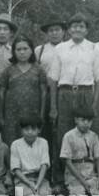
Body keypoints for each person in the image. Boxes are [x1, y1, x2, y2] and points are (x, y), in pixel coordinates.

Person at [50, 14, 97, 185]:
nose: (77, 29)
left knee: (84, 134)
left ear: (87, 30)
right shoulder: (60, 49)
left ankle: (83, 179)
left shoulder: (93, 48)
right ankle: (59, 179)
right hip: (65, 93)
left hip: (86, 92)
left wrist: (94, 103)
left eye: (81, 26)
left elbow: (98, 79)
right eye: (74, 26)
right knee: (63, 135)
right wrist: (53, 107)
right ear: (68, 30)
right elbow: (54, 79)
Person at [34, 18, 66, 177]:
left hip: (64, 92)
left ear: (63, 31)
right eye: (51, 30)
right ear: (47, 33)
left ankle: (61, 170)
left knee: (62, 132)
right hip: (44, 93)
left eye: (57, 29)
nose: (54, 33)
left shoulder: (68, 48)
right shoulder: (39, 50)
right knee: (45, 131)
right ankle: (45, 171)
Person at [0, 36, 44, 144]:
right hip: (11, 114)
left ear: (31, 50)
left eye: (25, 49)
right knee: (11, 142)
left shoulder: (39, 69)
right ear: (14, 52)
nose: (22, 52)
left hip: (32, 112)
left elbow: (44, 93)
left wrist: (41, 115)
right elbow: (1, 93)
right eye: (18, 49)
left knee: (32, 142)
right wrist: (0, 115)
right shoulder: (8, 70)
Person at [60, 106, 99, 196]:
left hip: (90, 174)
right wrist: (82, 181)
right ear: (76, 120)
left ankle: (89, 189)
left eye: (89, 121)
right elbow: (67, 162)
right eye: (83, 120)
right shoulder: (68, 136)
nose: (86, 123)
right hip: (75, 175)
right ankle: (71, 190)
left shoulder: (94, 136)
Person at [9, 115, 52, 196]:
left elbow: (44, 165)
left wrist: (38, 184)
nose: (30, 132)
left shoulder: (43, 142)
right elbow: (16, 169)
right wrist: (29, 183)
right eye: (26, 129)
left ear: (39, 130)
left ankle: (40, 190)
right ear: (21, 130)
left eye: (33, 129)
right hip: (23, 179)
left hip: (39, 178)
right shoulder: (15, 144)